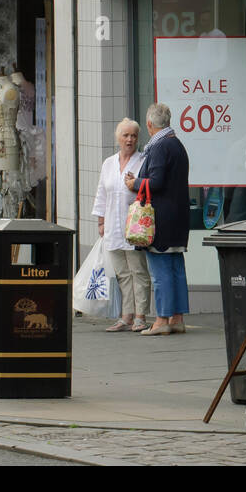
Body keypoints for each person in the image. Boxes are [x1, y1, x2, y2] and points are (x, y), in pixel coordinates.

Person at [124, 102, 190, 336]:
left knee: (160, 270)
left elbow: (157, 182)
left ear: (150, 124)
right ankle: (177, 318)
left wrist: (135, 183)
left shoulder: (159, 146)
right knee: (176, 268)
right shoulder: (177, 145)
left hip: (160, 218)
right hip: (179, 216)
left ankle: (162, 319)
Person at [93, 118, 151, 332]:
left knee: (138, 271)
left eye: (134, 135)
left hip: (135, 224)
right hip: (113, 225)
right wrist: (100, 221)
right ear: (118, 138)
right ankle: (126, 315)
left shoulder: (143, 161)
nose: (130, 139)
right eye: (126, 135)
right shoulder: (109, 163)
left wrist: (134, 184)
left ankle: (140, 315)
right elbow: (101, 193)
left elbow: (148, 190)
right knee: (122, 273)